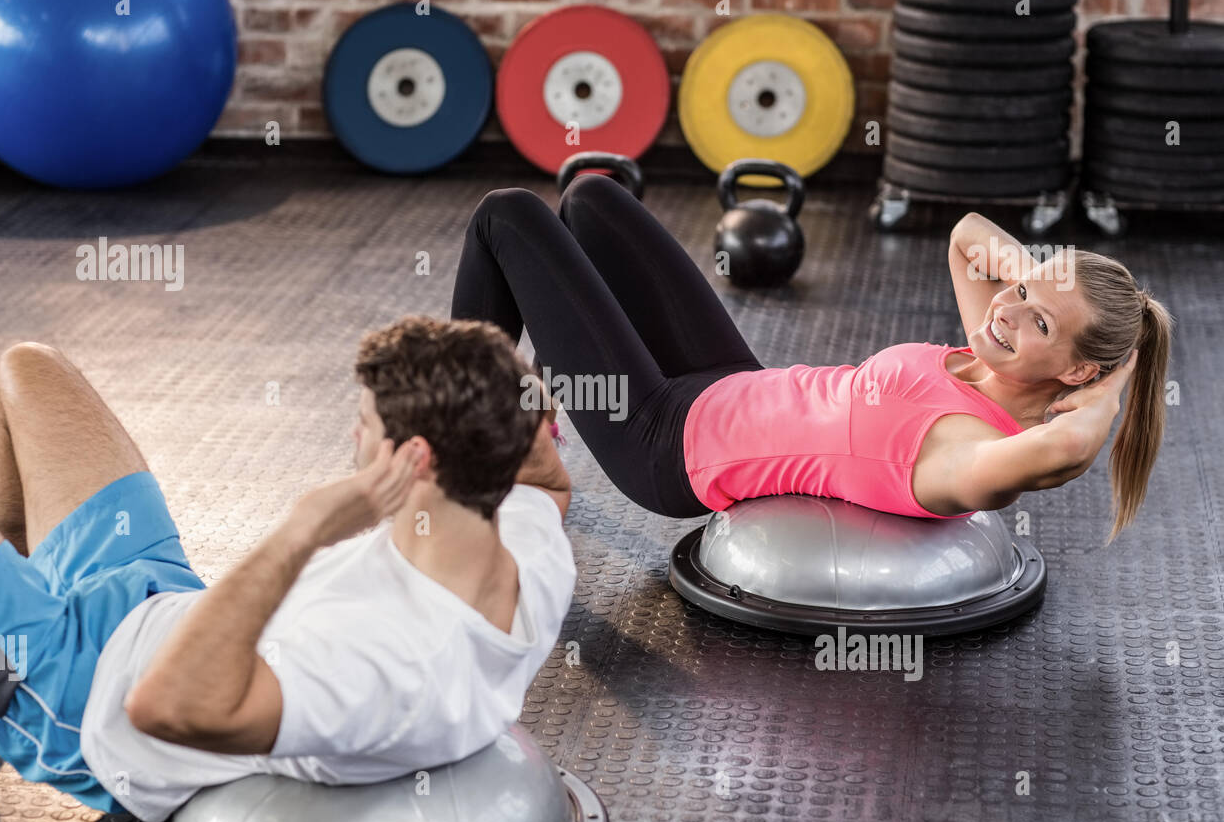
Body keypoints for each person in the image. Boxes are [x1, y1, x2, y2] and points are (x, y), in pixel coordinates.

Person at [0, 316, 574, 822]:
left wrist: (305, 529)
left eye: (362, 425)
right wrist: (503, 393)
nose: (351, 440)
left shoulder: (391, 669)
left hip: (79, 696)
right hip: (158, 599)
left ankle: (1, 676)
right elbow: (549, 483)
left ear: (415, 460)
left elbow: (160, 706)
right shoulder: (525, 553)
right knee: (25, 369)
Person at [451, 174, 1173, 546]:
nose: (1005, 311)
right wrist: (1037, 290)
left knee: (507, 215)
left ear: (1078, 372)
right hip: (732, 380)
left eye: (1038, 321)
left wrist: (1121, 375)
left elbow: (1075, 444)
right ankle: (519, 429)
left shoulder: (975, 454)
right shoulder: (990, 358)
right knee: (592, 199)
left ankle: (458, 471)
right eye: (1013, 292)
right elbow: (965, 235)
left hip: (667, 446)